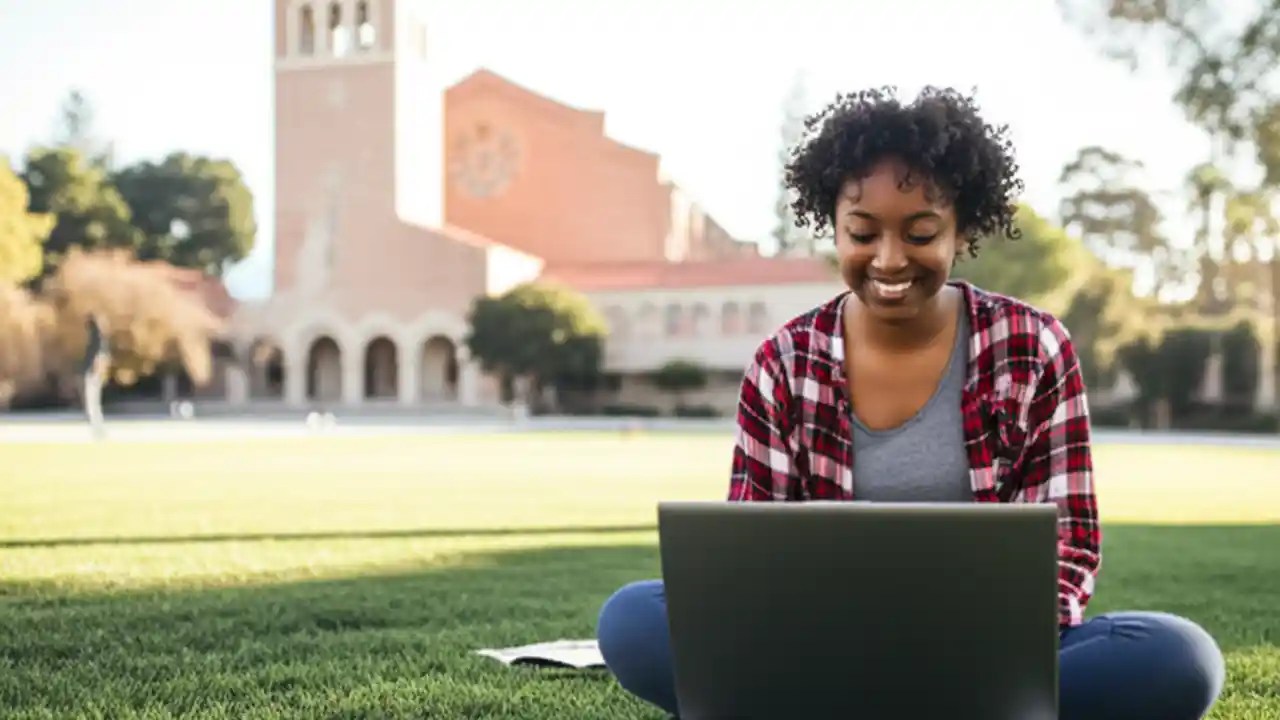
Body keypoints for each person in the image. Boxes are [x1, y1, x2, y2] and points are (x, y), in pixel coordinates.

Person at [595, 87, 1225, 720]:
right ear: (833, 228)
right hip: (821, 645)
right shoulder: (783, 361)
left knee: (1178, 658)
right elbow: (748, 555)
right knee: (632, 618)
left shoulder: (1032, 345)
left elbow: (1069, 543)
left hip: (983, 653)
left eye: (921, 232)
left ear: (961, 230)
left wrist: (977, 649)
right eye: (862, 233)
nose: (890, 260)